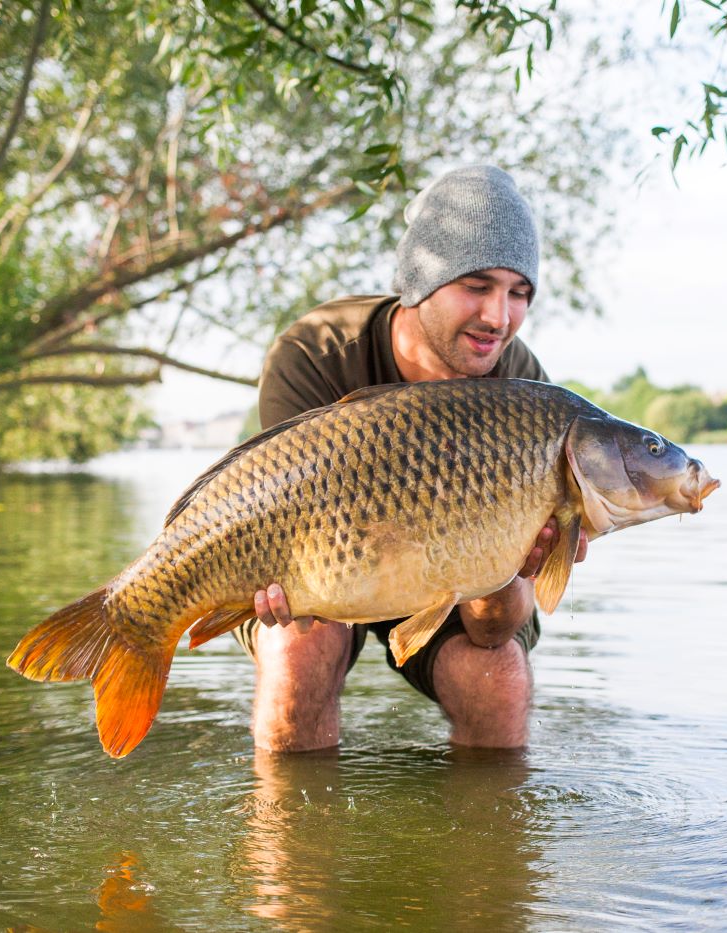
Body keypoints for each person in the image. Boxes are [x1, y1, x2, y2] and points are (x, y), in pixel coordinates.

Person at [233, 165, 587, 753]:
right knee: (296, 648)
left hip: (451, 576)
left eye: (518, 293)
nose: (499, 317)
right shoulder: (316, 352)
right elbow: (272, 516)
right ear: (420, 282)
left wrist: (511, 563)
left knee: (498, 678)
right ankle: (291, 841)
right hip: (325, 565)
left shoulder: (526, 392)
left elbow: (494, 627)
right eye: (477, 286)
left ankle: (486, 841)